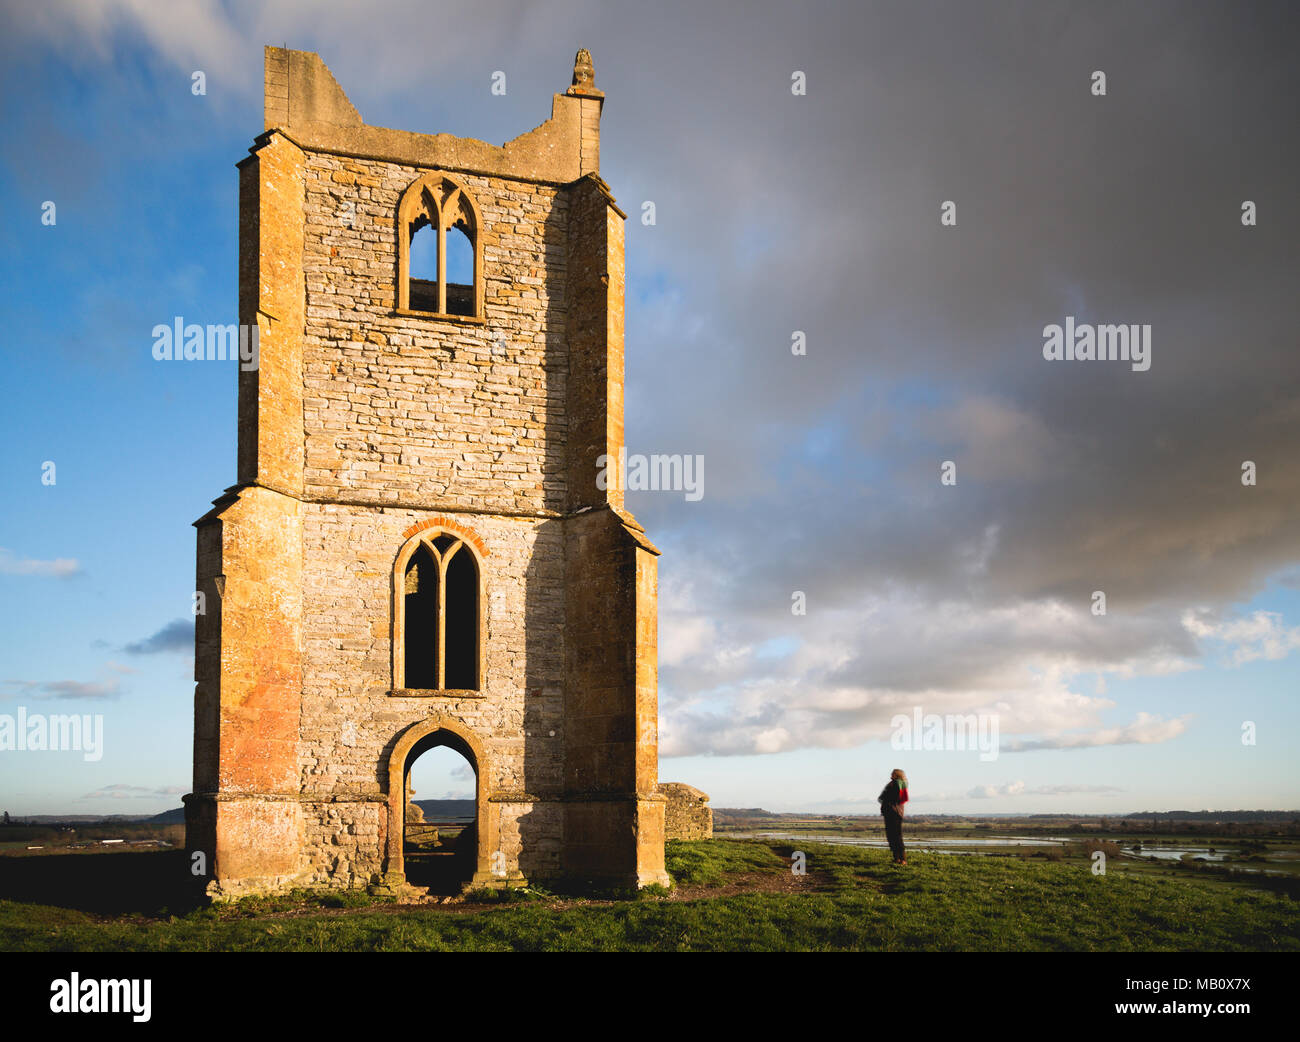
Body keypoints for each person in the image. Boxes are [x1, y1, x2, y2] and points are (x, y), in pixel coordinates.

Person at [878, 768, 909, 864]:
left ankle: (902, 859)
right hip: (893, 811)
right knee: (892, 836)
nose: (891, 774)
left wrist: (885, 799)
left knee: (895, 835)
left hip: (893, 812)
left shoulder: (896, 784)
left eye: (893, 773)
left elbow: (895, 798)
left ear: (897, 775)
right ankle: (897, 858)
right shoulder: (896, 783)